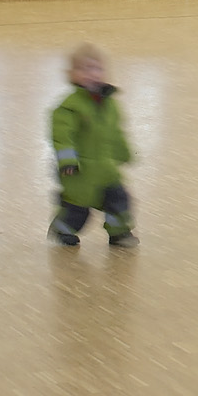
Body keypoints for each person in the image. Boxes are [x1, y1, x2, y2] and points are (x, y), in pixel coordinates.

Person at [49, 44, 137, 248]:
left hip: (106, 168)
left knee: (119, 200)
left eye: (97, 68)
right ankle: (63, 227)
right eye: (83, 69)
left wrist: (123, 152)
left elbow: (115, 132)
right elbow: (62, 137)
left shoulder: (111, 104)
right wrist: (67, 160)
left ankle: (119, 232)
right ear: (72, 75)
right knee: (78, 208)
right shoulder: (69, 107)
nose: (91, 74)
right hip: (79, 171)